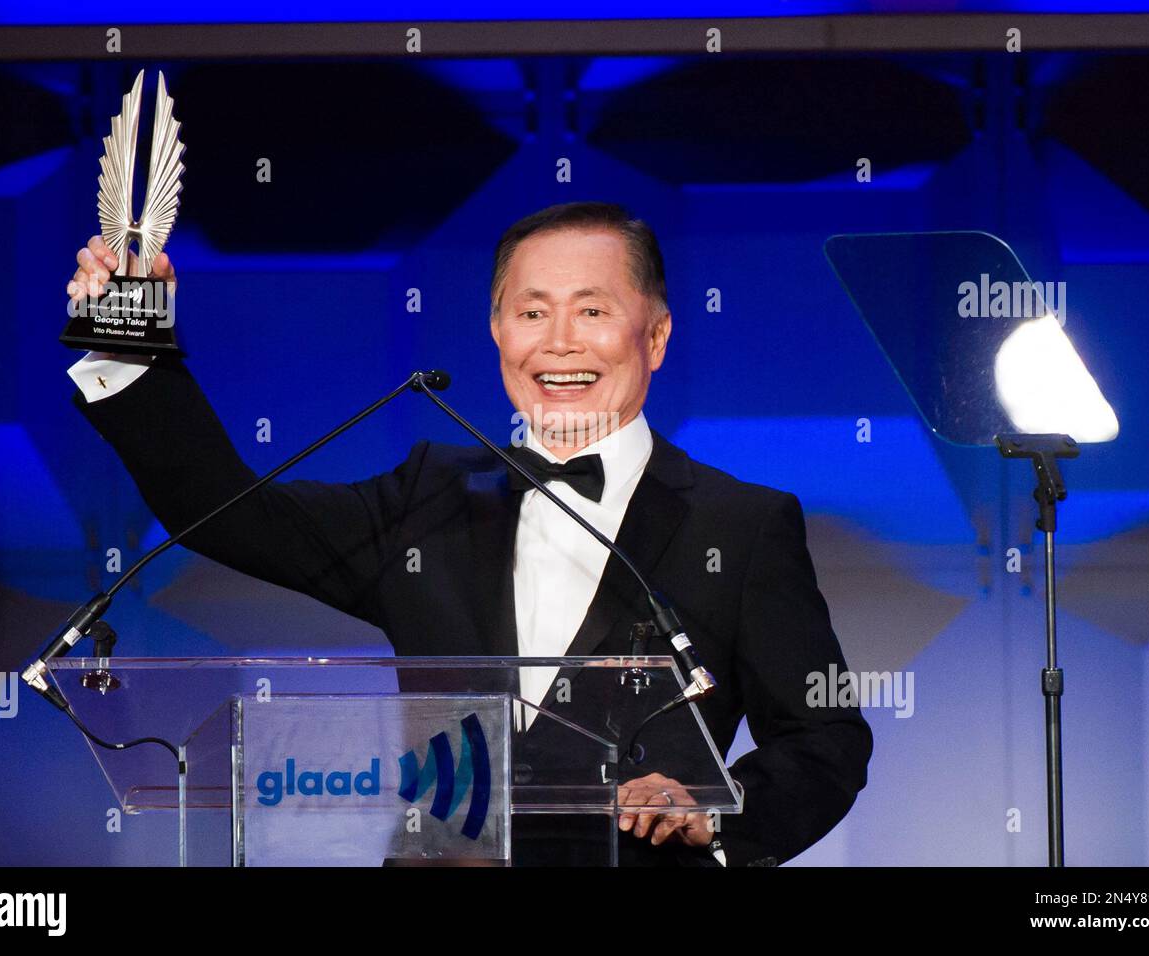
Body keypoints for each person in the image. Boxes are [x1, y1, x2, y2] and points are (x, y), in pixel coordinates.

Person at [64, 200, 872, 866]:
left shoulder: (742, 524)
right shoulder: (429, 497)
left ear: (654, 336)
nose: (559, 342)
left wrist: (716, 807)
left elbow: (825, 737)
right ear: (496, 332)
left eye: (593, 310)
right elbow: (233, 514)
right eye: (531, 312)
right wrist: (128, 353)